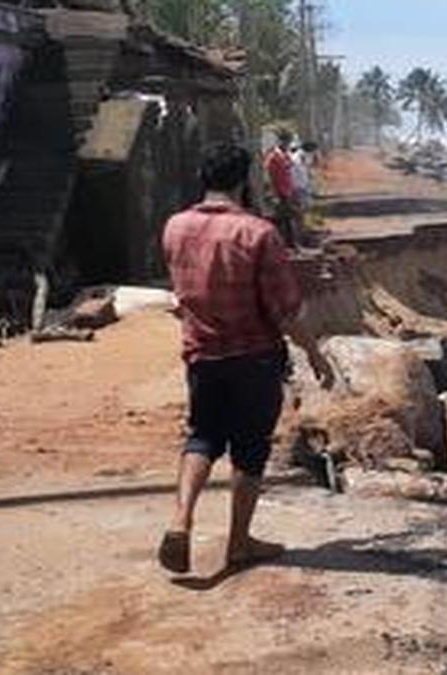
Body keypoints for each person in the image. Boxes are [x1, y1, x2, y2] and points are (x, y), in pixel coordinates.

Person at [158, 143, 335, 574]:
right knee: (250, 449)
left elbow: (181, 294)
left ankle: (180, 521)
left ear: (204, 177)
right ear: (242, 180)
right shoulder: (258, 233)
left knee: (202, 437)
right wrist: (314, 353)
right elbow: (285, 309)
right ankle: (239, 543)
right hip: (254, 357)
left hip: (202, 355)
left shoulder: (175, 227)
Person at [263, 129, 299, 247]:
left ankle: (290, 244)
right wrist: (273, 194)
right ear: (280, 141)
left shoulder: (285, 156)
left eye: (288, 142)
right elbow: (268, 175)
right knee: (282, 220)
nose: (286, 144)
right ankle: (286, 245)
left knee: (289, 218)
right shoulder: (273, 157)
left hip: (287, 191)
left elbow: (290, 173)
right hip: (279, 193)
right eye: (285, 142)